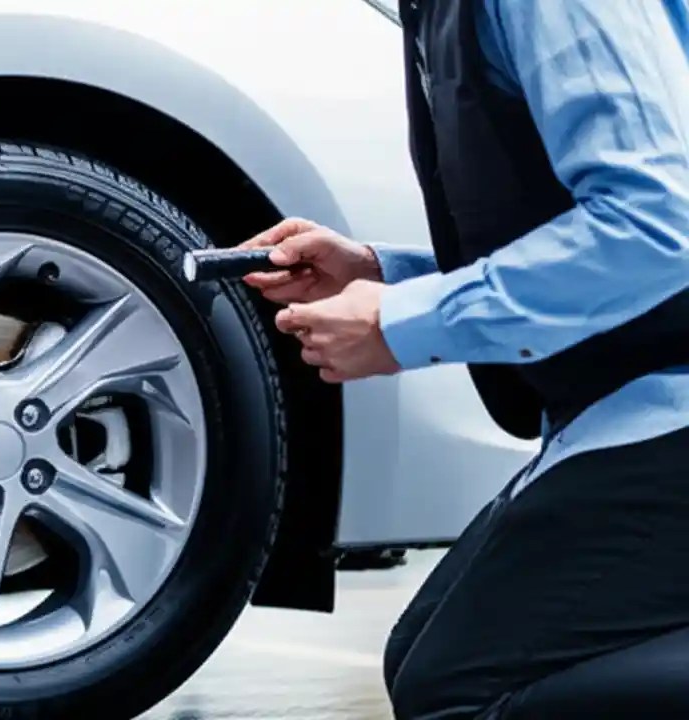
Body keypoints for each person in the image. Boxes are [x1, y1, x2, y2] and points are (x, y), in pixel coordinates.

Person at [243, 0, 689, 717]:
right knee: (421, 663)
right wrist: (385, 277)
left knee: (460, 692)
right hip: (635, 396)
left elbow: (659, 228)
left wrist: (404, 324)